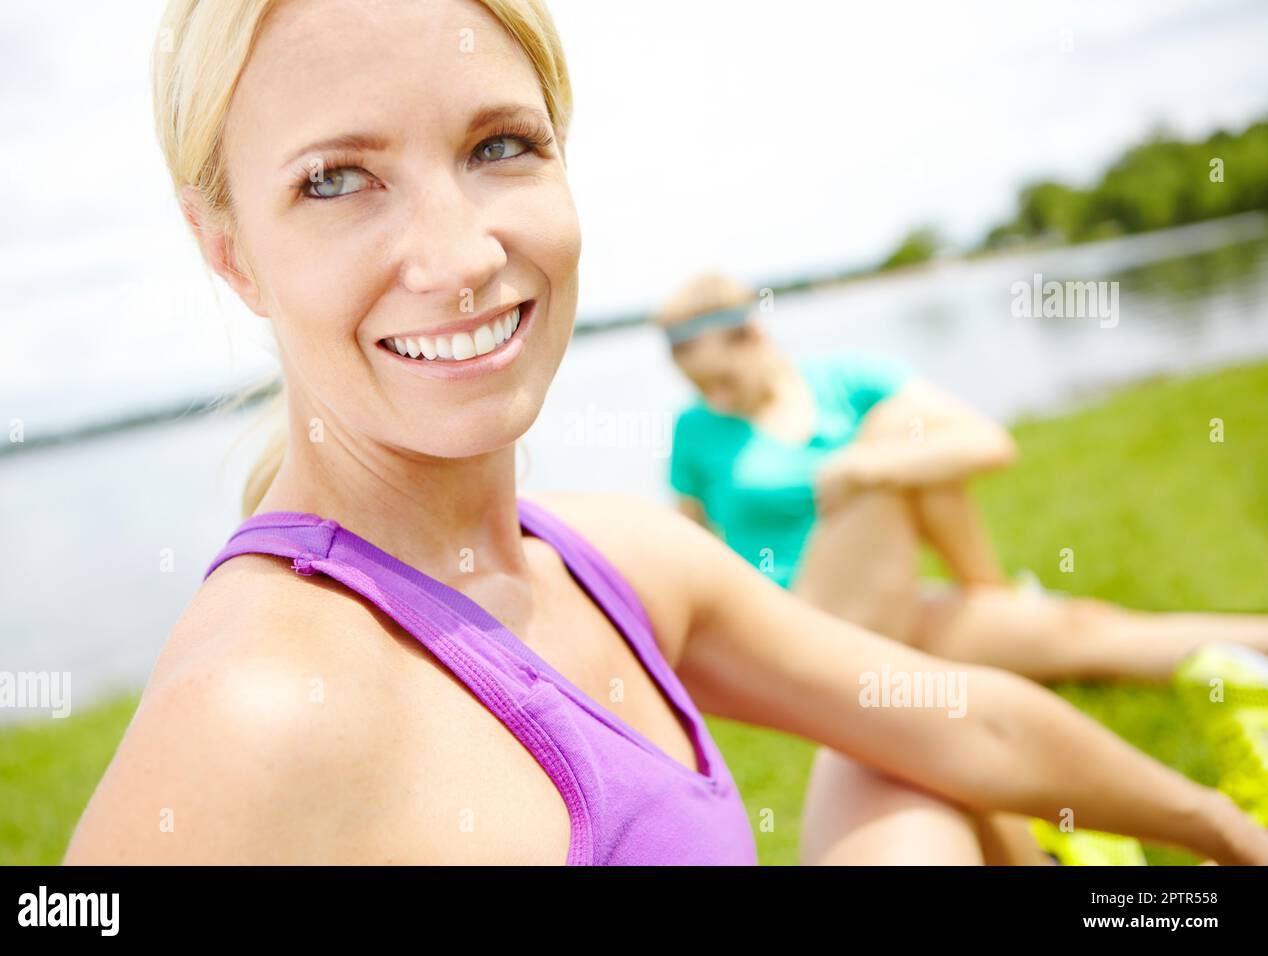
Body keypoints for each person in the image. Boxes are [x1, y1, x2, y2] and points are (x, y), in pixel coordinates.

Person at [62, 0, 1268, 866]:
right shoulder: (259, 705)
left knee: (896, 747)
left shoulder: (607, 556)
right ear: (228, 251)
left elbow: (967, 715)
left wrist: (1218, 831)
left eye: (498, 147)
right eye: (336, 179)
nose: (463, 255)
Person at [658, 269, 1268, 860]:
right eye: (699, 385)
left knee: (1078, 627)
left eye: (721, 380)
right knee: (890, 452)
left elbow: (988, 443)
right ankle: (990, 602)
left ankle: (1250, 642)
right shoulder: (696, 432)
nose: (714, 398)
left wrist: (868, 465)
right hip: (801, 619)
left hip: (890, 601)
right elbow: (687, 547)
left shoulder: (844, 382)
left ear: (754, 336)